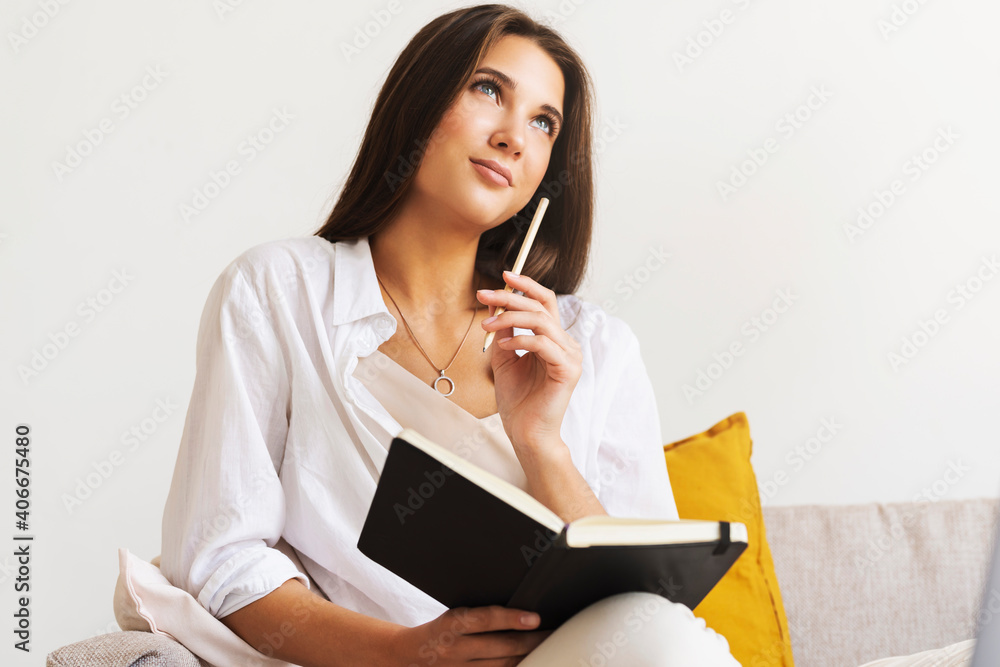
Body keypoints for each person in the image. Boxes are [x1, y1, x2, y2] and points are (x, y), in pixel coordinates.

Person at [159, 4, 739, 665]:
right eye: (490, 90)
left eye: (543, 123)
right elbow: (220, 557)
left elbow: (652, 611)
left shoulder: (593, 347)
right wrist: (409, 652)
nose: (514, 136)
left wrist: (542, 442)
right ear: (421, 97)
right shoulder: (278, 292)